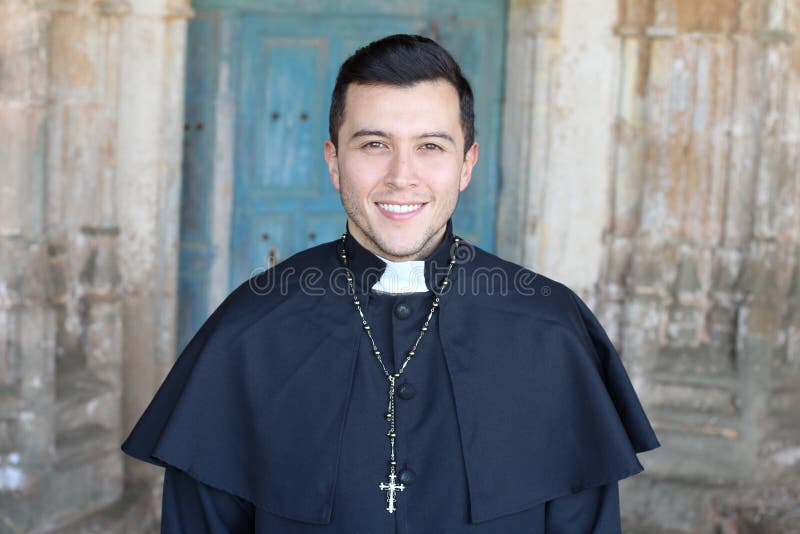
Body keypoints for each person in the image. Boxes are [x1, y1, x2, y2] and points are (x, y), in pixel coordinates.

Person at [122, 34, 659, 533]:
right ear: (334, 161)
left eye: (430, 146)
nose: (402, 176)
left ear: (466, 164)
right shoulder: (247, 330)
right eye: (374, 144)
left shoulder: (551, 329)